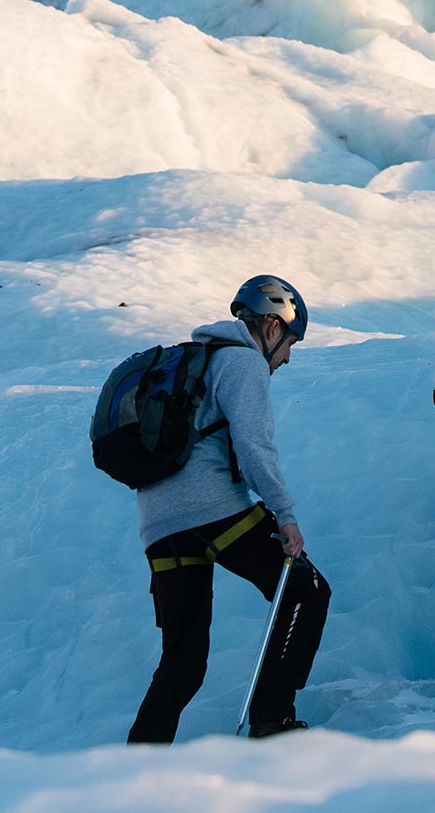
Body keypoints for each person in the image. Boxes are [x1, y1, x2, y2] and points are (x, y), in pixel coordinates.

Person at [127, 275, 331, 743]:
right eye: (290, 342)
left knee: (183, 660)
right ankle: (272, 721)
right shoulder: (243, 363)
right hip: (213, 509)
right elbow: (254, 446)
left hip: (158, 525)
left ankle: (136, 767)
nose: (287, 358)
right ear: (273, 327)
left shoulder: (198, 361)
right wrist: (285, 514)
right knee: (307, 588)